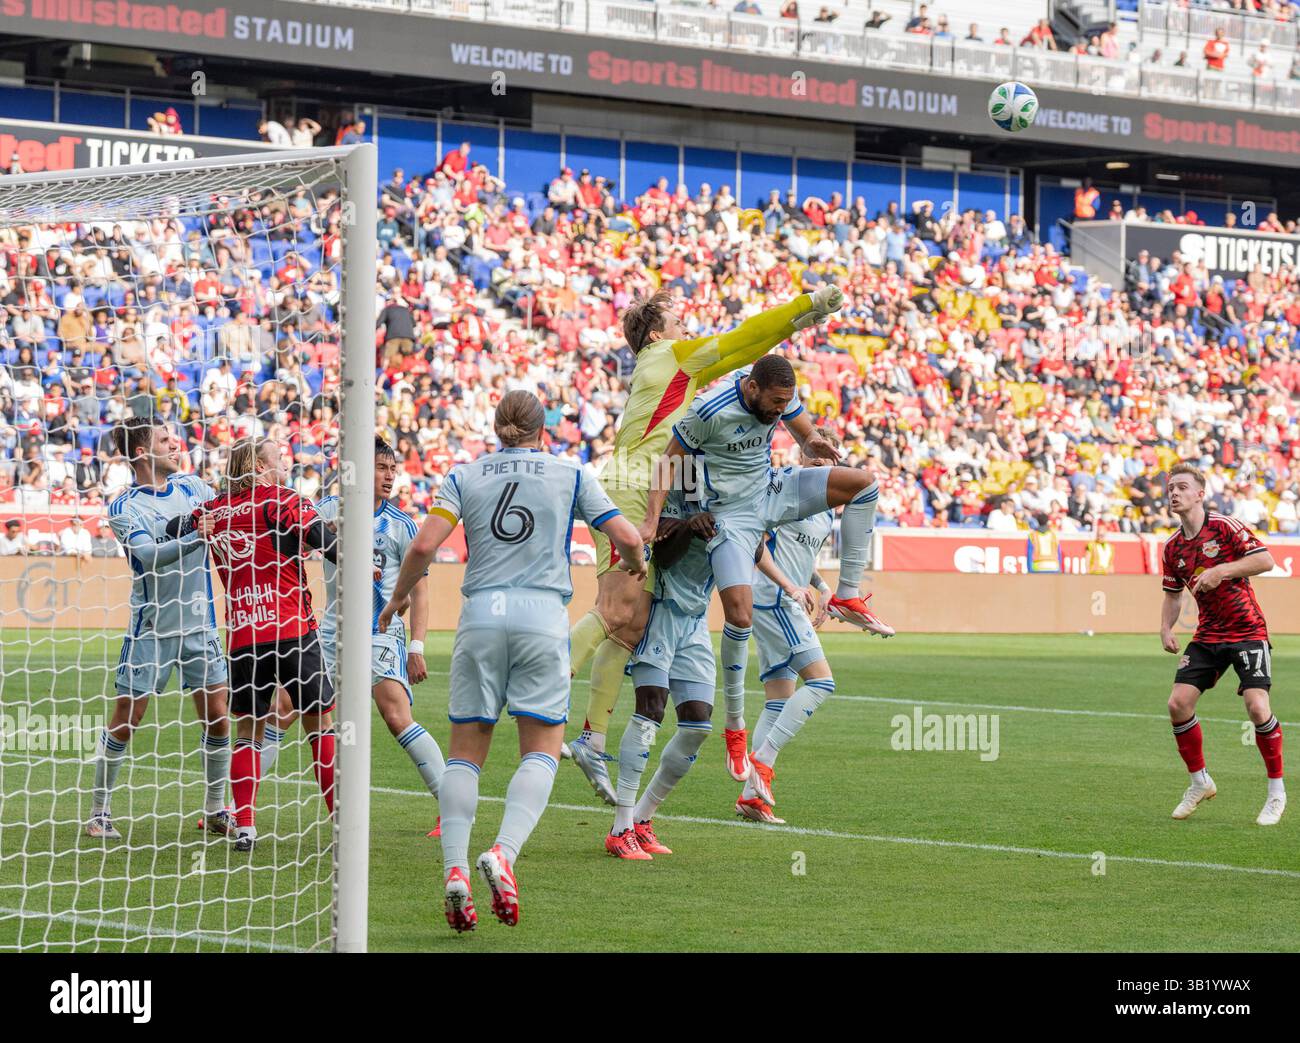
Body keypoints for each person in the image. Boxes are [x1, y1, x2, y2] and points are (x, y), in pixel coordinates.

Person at [564, 284, 844, 803]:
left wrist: (797, 329)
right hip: (638, 483)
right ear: (655, 333)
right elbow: (743, 338)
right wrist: (802, 310)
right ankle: (546, 685)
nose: (686, 327)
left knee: (632, 624)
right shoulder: (670, 356)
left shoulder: (679, 374)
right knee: (616, 608)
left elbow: (747, 357)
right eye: (677, 321)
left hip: (655, 483)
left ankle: (591, 738)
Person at [377, 391, 645, 932]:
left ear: (497, 428)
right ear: (542, 430)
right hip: (541, 616)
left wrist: (398, 598)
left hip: (480, 615)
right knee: (542, 748)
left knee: (466, 752)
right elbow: (626, 536)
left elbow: (425, 546)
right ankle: (502, 854)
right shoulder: (569, 473)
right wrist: (636, 563)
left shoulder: (464, 474)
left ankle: (454, 870)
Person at [644, 353, 893, 783]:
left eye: (786, 403)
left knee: (864, 483)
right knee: (738, 615)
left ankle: (849, 592)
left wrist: (811, 440)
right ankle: (736, 727)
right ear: (753, 389)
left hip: (773, 490)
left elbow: (800, 425)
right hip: (733, 517)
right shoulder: (709, 411)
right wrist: (651, 519)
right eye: (776, 402)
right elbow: (668, 462)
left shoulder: (777, 396)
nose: (781, 410)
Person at [260, 438, 444, 830]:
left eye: (392, 468)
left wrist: (417, 646)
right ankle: (238, 808)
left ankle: (451, 803)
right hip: (327, 634)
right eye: (380, 467)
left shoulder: (401, 524)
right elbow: (285, 542)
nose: (389, 475)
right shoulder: (325, 512)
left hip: (379, 631)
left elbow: (420, 590)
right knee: (282, 710)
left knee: (395, 713)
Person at [88, 418, 233, 842]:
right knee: (128, 717)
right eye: (165, 440)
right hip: (151, 629)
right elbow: (148, 556)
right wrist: (195, 536)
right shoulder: (124, 506)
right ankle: (99, 811)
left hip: (200, 625)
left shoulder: (194, 489)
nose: (176, 444)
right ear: (140, 453)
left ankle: (215, 810)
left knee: (218, 719)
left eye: (174, 437)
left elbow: (228, 509)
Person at [192, 437, 340, 852]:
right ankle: (341, 822)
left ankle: (245, 825)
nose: (287, 462)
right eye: (279, 457)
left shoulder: (214, 509)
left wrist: (192, 527)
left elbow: (175, 527)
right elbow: (321, 538)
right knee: (319, 725)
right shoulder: (281, 500)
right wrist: (362, 562)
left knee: (248, 730)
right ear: (258, 464)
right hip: (292, 627)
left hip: (242, 635)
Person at [1160, 464, 1283, 827]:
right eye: (1170, 489)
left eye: (1182, 487)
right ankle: (1200, 782)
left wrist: (1220, 571)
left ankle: (1276, 792)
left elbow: (1266, 560)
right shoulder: (1172, 547)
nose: (1174, 493)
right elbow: (1172, 593)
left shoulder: (1225, 527)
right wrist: (1166, 627)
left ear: (1200, 494)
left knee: (1258, 708)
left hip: (1247, 630)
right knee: (1177, 704)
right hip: (1209, 634)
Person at [740, 500, 839, 823]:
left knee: (779, 700)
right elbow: (758, 544)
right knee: (822, 682)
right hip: (777, 600)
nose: (823, 457)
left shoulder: (825, 509)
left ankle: (751, 798)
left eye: (831, 453)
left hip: (780, 600)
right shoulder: (788, 495)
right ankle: (762, 762)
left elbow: (798, 555)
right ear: (803, 453)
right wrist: (788, 586)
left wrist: (822, 586)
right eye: (815, 452)